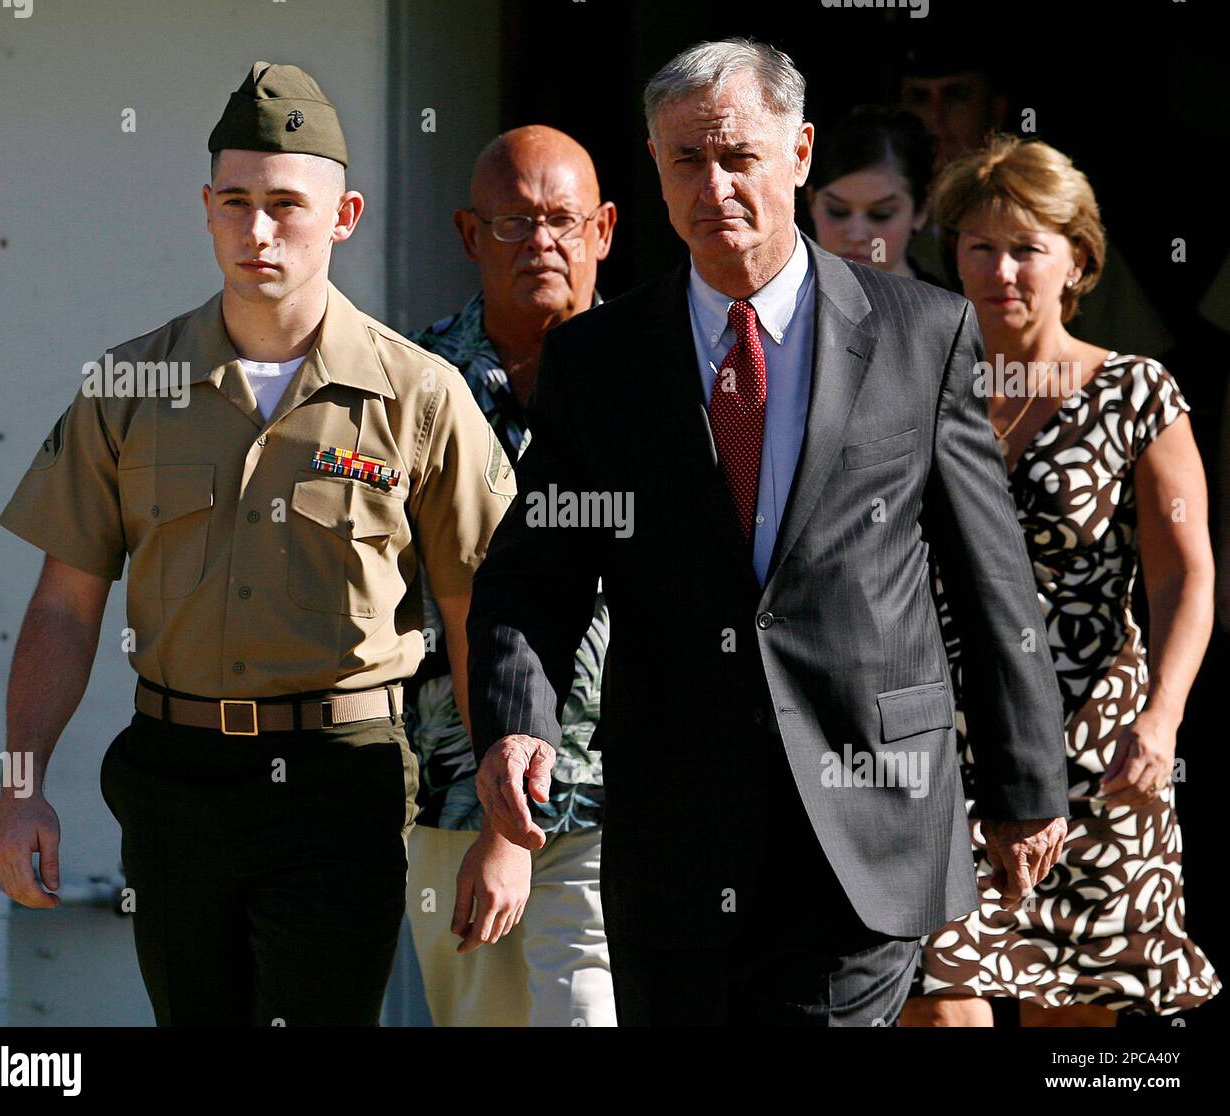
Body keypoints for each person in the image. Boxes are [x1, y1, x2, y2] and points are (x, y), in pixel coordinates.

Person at [465, 38, 1070, 1028]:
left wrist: (1024, 781)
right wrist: (516, 720)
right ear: (654, 174)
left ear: (799, 153)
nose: (716, 186)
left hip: (862, 819)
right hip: (675, 833)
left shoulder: (920, 334)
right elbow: (537, 572)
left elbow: (988, 577)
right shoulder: (600, 361)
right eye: (685, 161)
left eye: (738, 155)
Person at [0, 61, 514, 1026]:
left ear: (345, 214)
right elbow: (64, 606)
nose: (259, 230)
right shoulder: (129, 387)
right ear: (206, 207)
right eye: (236, 201)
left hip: (339, 778)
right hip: (174, 777)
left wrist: (504, 826)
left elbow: (480, 614)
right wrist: (21, 789)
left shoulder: (421, 396)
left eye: (286, 204)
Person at [903, 135, 1220, 1026]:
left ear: (1076, 259)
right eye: (979, 245)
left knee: (1075, 1020)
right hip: (942, 744)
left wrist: (1164, 719)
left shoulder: (1137, 394)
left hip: (1098, 747)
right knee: (935, 1000)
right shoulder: (915, 387)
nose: (1001, 269)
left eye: (1027, 247)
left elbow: (1186, 575)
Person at [402, 124, 618, 1027]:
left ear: (604, 230)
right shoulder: (409, 385)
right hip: (456, 788)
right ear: (467, 234)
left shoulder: (661, 375)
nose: (543, 243)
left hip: (618, 784)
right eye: (515, 224)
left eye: (564, 221)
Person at [898, 46, 1175, 360]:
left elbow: (1134, 357)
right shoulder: (875, 224)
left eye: (956, 95)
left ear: (995, 109)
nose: (935, 117)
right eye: (918, 98)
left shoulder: (1051, 222)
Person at [807, 105, 942, 285]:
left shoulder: (947, 311)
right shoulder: (780, 305)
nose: (856, 235)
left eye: (881, 215)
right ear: (812, 201)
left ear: (920, 212)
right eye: (837, 211)